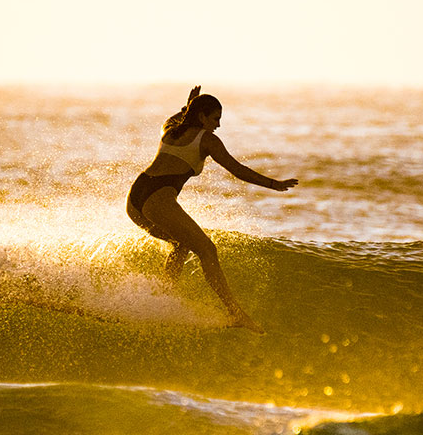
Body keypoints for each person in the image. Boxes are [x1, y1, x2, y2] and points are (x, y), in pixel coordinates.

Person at [127, 86, 298, 332]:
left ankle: (160, 300)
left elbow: (179, 116)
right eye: (215, 118)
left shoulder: (169, 128)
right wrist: (274, 184)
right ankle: (235, 313)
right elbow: (237, 169)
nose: (218, 125)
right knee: (207, 249)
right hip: (158, 198)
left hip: (135, 197)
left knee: (180, 244)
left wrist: (188, 104)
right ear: (202, 117)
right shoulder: (206, 140)